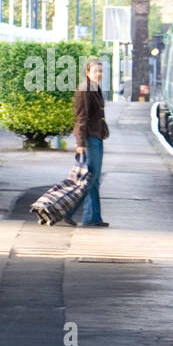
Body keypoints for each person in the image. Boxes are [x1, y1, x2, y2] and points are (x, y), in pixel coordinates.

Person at [67, 58, 110, 227]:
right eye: (95, 71)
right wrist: (80, 143)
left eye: (100, 71)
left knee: (94, 178)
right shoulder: (84, 89)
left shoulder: (95, 88)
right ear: (87, 72)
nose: (98, 74)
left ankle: (93, 218)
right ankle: (69, 211)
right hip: (89, 139)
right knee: (90, 178)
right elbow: (81, 118)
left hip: (97, 136)